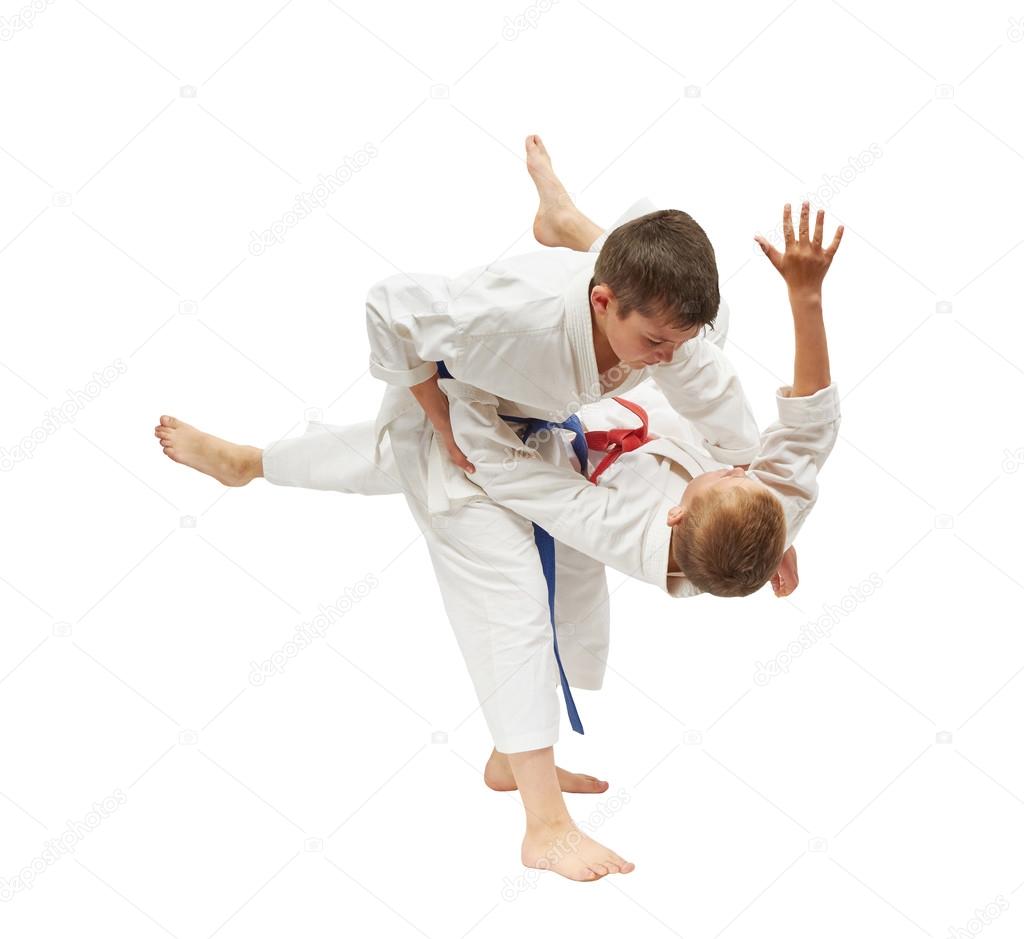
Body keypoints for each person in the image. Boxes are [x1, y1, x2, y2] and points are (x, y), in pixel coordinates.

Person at [155, 148, 841, 882]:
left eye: (723, 479)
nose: (735, 466)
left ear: (677, 515)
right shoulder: (770, 492)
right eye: (749, 476)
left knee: (492, 540)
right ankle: (543, 822)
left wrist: (466, 435)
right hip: (503, 388)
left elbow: (546, 484)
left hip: (516, 426)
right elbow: (804, 420)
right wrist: (806, 295)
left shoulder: (640, 506)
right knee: (501, 560)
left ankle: (254, 464)